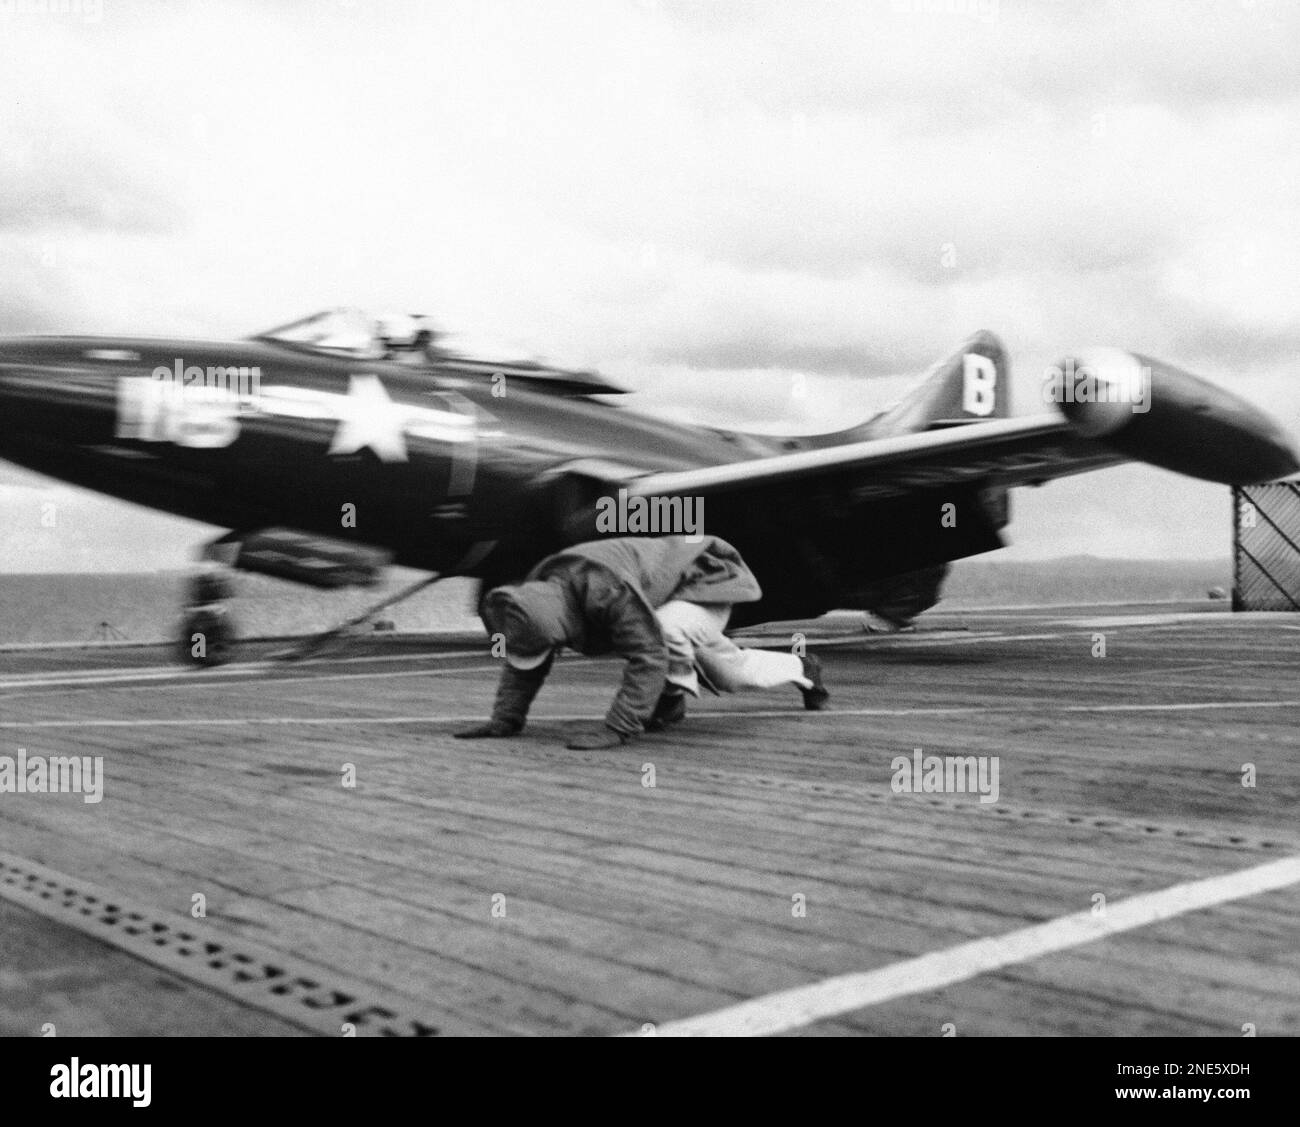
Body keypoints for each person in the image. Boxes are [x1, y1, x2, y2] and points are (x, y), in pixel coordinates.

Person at [454, 536, 828, 750]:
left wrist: (620, 726)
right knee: (724, 670)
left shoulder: (603, 589)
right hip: (656, 591)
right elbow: (527, 662)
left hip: (704, 584)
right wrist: (504, 720)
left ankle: (801, 668)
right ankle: (797, 668)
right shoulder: (536, 598)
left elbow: (649, 654)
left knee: (674, 639)